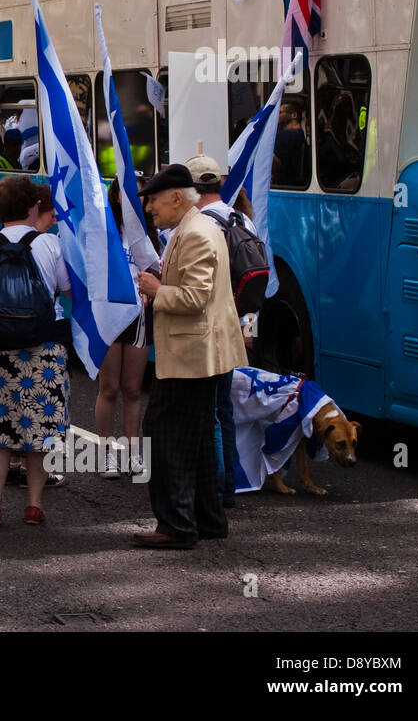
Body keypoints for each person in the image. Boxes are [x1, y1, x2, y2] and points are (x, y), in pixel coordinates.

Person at [133, 164, 245, 549]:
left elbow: (195, 298)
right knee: (194, 438)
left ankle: (177, 525)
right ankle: (208, 519)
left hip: (190, 356)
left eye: (153, 200)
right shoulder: (197, 227)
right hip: (199, 353)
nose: (149, 208)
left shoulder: (196, 233)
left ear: (176, 197)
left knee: (166, 438)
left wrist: (157, 289)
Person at [0, 177, 71, 526]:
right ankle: (34, 505)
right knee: (39, 427)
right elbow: (65, 289)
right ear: (32, 206)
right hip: (44, 347)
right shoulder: (49, 245)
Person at [186, 154, 255, 508]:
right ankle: (228, 483)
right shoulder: (242, 219)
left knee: (208, 411)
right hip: (234, 328)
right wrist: (249, 327)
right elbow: (257, 276)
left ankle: (213, 489)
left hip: (207, 328)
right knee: (223, 410)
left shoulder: (199, 225)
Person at [97, 178, 161, 478]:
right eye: (126, 192)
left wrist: (152, 289)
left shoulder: (151, 233)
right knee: (108, 388)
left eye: (138, 193)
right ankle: (106, 455)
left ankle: (135, 454)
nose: (132, 198)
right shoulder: (104, 229)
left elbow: (158, 269)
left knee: (133, 389)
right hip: (110, 314)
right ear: (116, 196)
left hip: (139, 317)